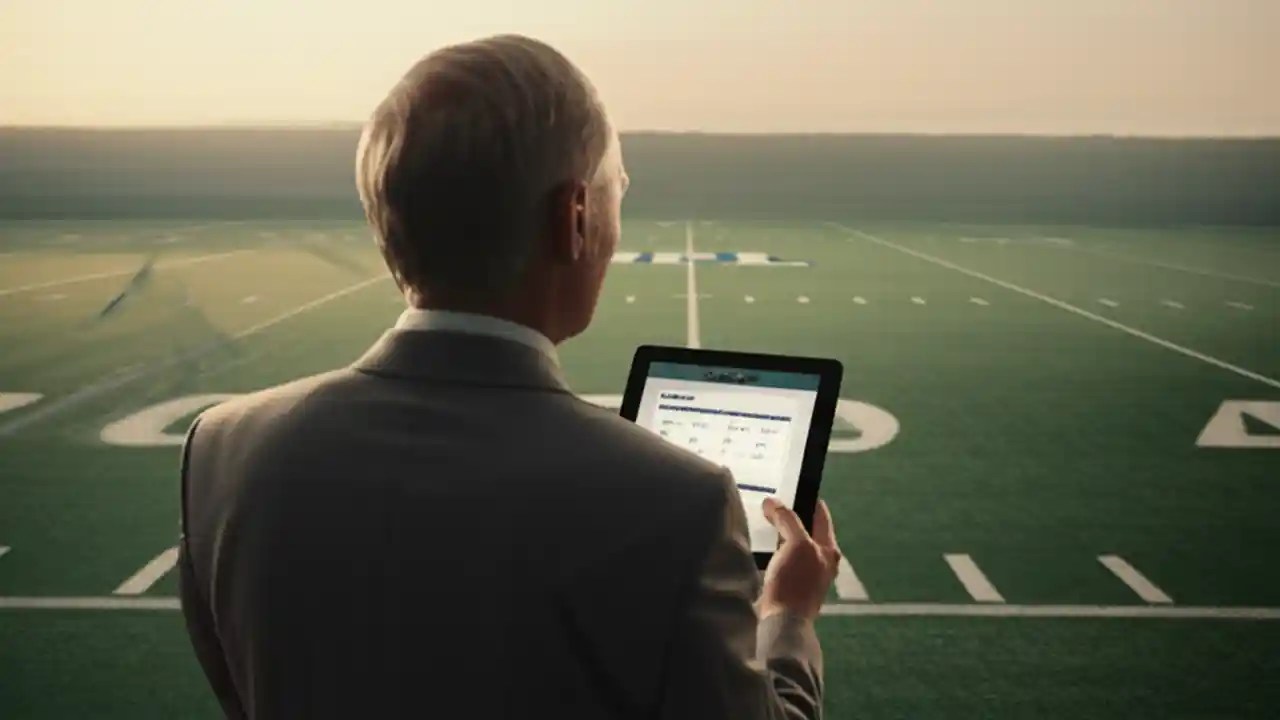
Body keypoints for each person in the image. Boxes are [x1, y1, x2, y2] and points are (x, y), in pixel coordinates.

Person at [178, 34, 842, 719]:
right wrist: (788, 618)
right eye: (616, 190)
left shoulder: (222, 449)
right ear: (575, 218)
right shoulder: (680, 504)